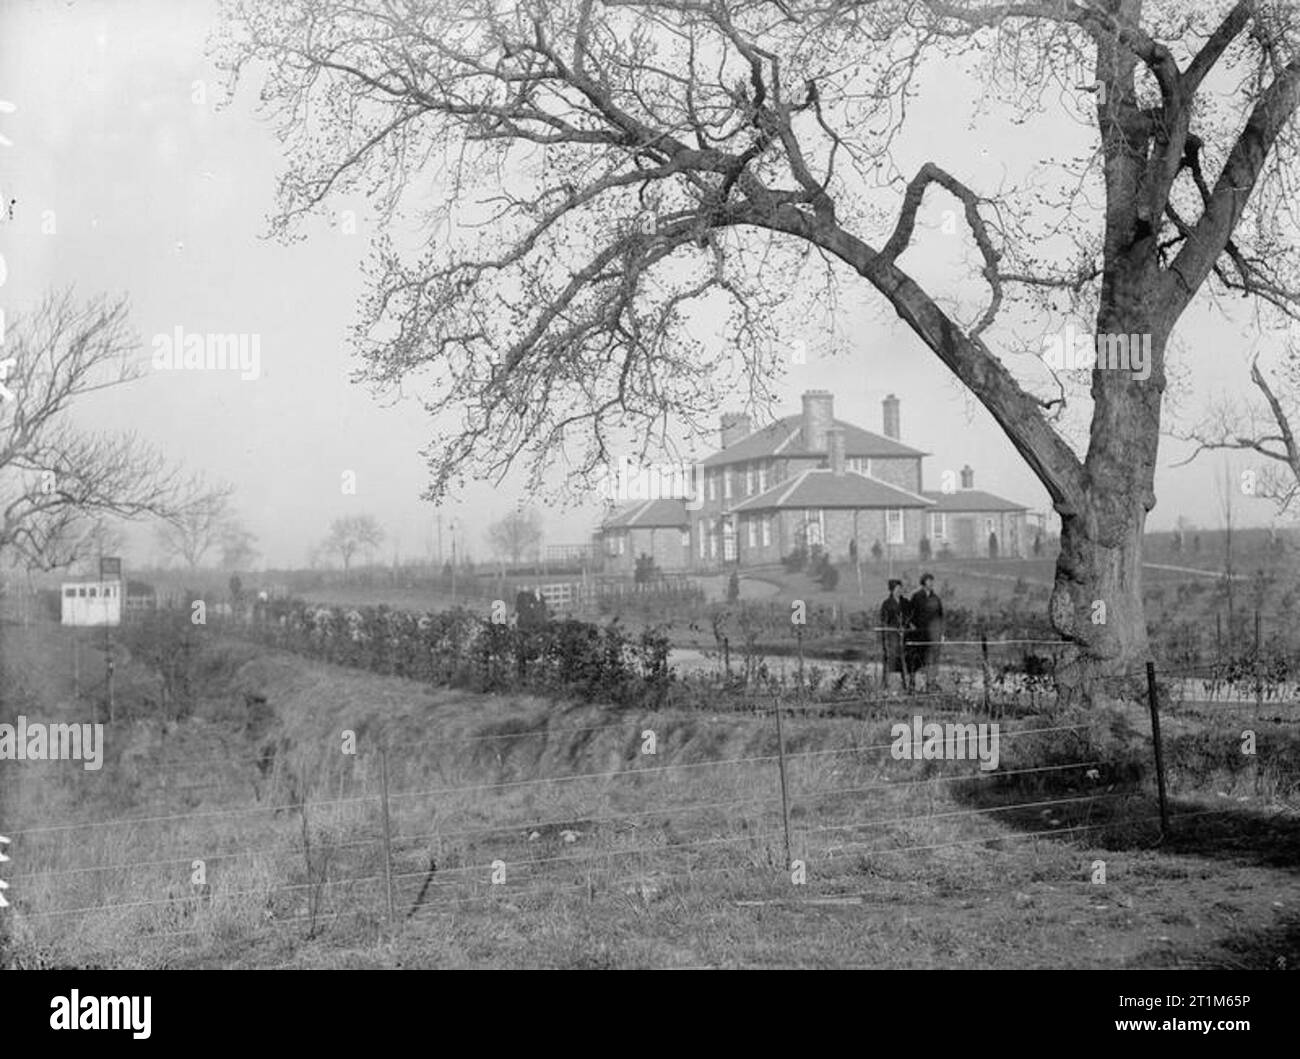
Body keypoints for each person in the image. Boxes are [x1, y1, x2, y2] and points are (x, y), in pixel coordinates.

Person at [908, 573, 944, 690]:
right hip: (919, 634)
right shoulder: (916, 597)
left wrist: (941, 633)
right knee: (917, 658)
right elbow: (910, 614)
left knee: (931, 659)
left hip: (933, 635)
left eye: (932, 581)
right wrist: (912, 626)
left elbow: (940, 616)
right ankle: (912, 683)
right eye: (929, 581)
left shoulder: (936, 599)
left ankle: (930, 683)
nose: (931, 583)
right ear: (923, 582)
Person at [879, 579, 911, 692]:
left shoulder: (906, 603)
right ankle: (885, 686)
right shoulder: (886, 604)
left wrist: (906, 626)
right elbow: (884, 623)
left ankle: (907, 686)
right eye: (897, 589)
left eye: (900, 588)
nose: (899, 591)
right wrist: (888, 635)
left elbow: (910, 617)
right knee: (890, 661)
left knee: (906, 661)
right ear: (892, 590)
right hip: (892, 637)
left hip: (905, 637)